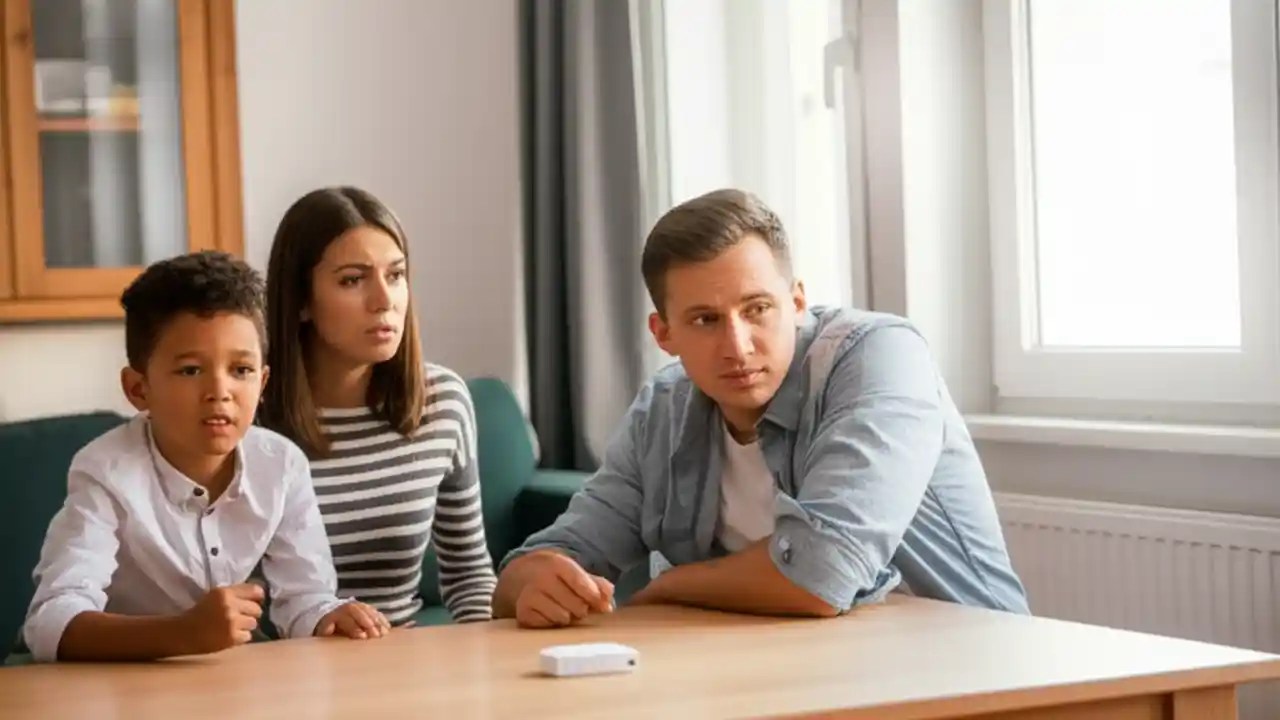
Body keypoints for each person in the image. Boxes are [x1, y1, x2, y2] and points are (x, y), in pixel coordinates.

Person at [494, 189, 1029, 627]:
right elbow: (544, 561)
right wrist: (536, 580)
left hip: (968, 671)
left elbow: (823, 574)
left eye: (757, 309)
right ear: (663, 333)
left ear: (796, 302)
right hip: (779, 677)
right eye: (705, 320)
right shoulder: (663, 409)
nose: (738, 345)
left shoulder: (877, 356)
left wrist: (668, 587)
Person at [23, 251, 387, 663]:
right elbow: (51, 621)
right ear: (138, 389)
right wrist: (184, 632)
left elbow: (303, 599)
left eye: (241, 370)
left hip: (224, 680)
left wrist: (328, 615)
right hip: (123, 683)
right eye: (191, 370)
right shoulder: (106, 472)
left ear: (263, 380)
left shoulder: (281, 466)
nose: (220, 391)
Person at [260, 187, 496, 626]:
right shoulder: (248, 416)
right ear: (302, 301)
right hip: (282, 673)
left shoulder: (443, 401)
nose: (384, 301)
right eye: (353, 280)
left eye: (396, 275)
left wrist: (486, 670)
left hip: (402, 668)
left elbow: (469, 576)